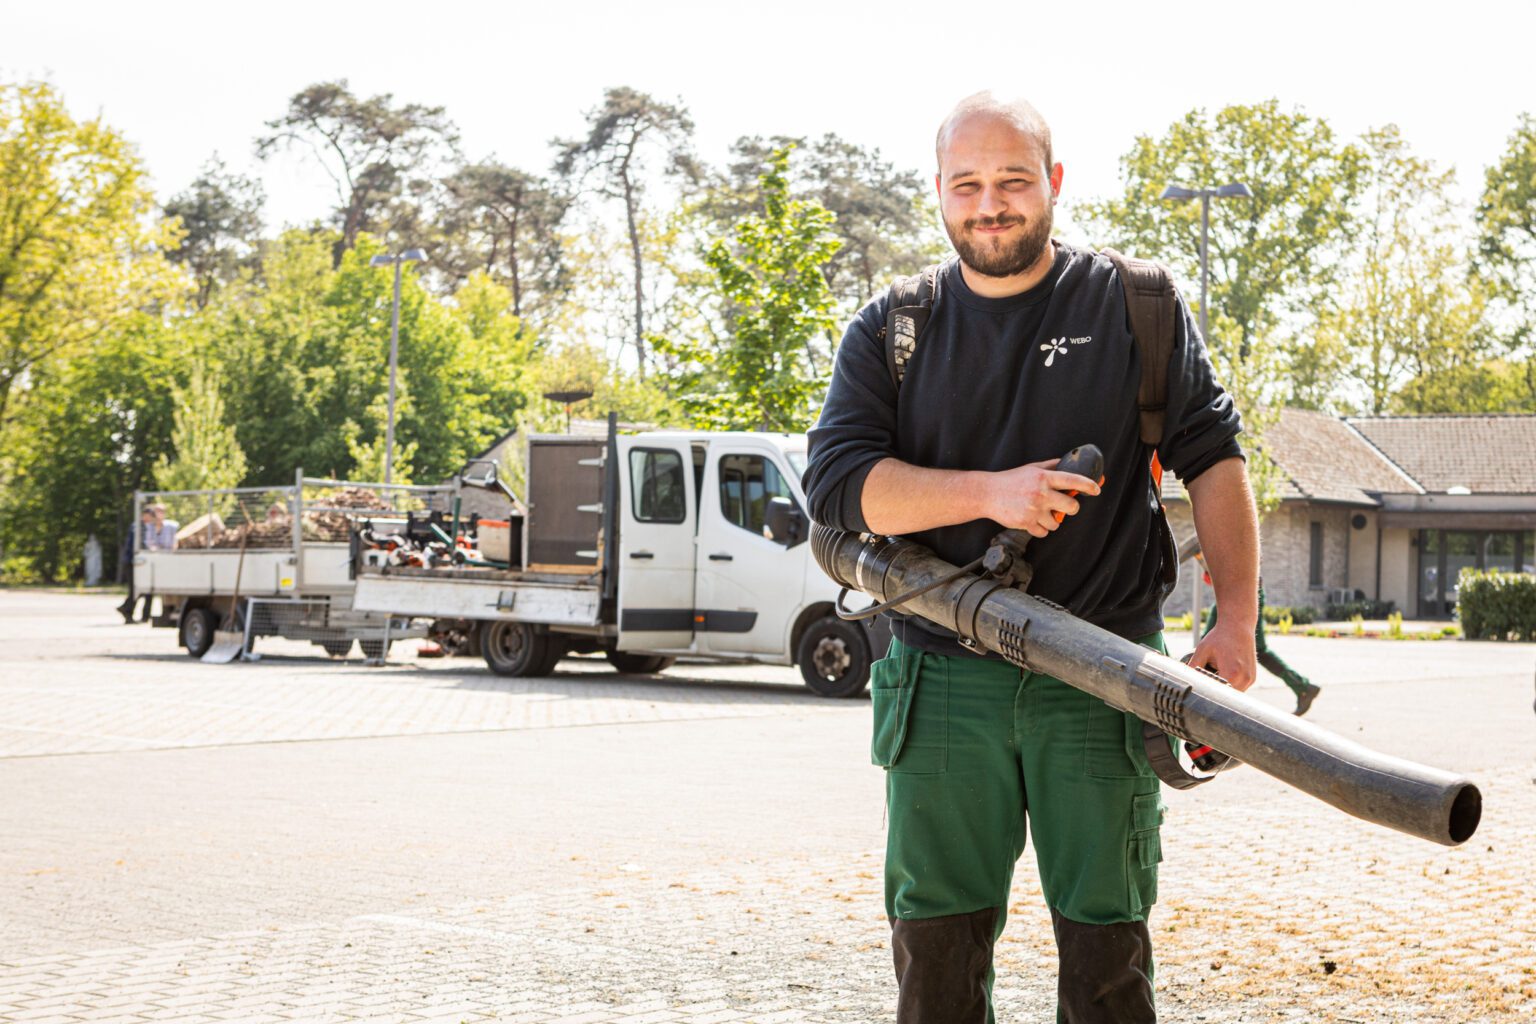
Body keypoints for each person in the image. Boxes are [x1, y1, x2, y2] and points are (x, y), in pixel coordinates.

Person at [803, 92, 1260, 1023]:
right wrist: (990, 492)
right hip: (941, 681)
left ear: (1052, 183)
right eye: (967, 184)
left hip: (1100, 675)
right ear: (938, 192)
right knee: (937, 957)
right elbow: (840, 486)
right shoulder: (895, 328)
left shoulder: (1136, 304)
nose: (990, 203)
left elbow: (1213, 457)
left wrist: (1239, 617)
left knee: (1106, 958)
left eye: (1013, 180)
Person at [1194, 552, 1321, 715]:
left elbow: (1241, 561)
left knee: (1212, 646)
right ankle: (1302, 687)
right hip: (1239, 595)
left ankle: (1208, 702)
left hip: (1243, 596)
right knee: (1222, 646)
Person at [116, 504, 178, 623]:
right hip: (132, 562)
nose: (151, 519)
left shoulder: (149, 527)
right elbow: (141, 544)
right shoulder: (138, 527)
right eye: (150, 516)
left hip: (143, 562)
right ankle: (127, 610)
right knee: (137, 589)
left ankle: (141, 615)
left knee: (147, 590)